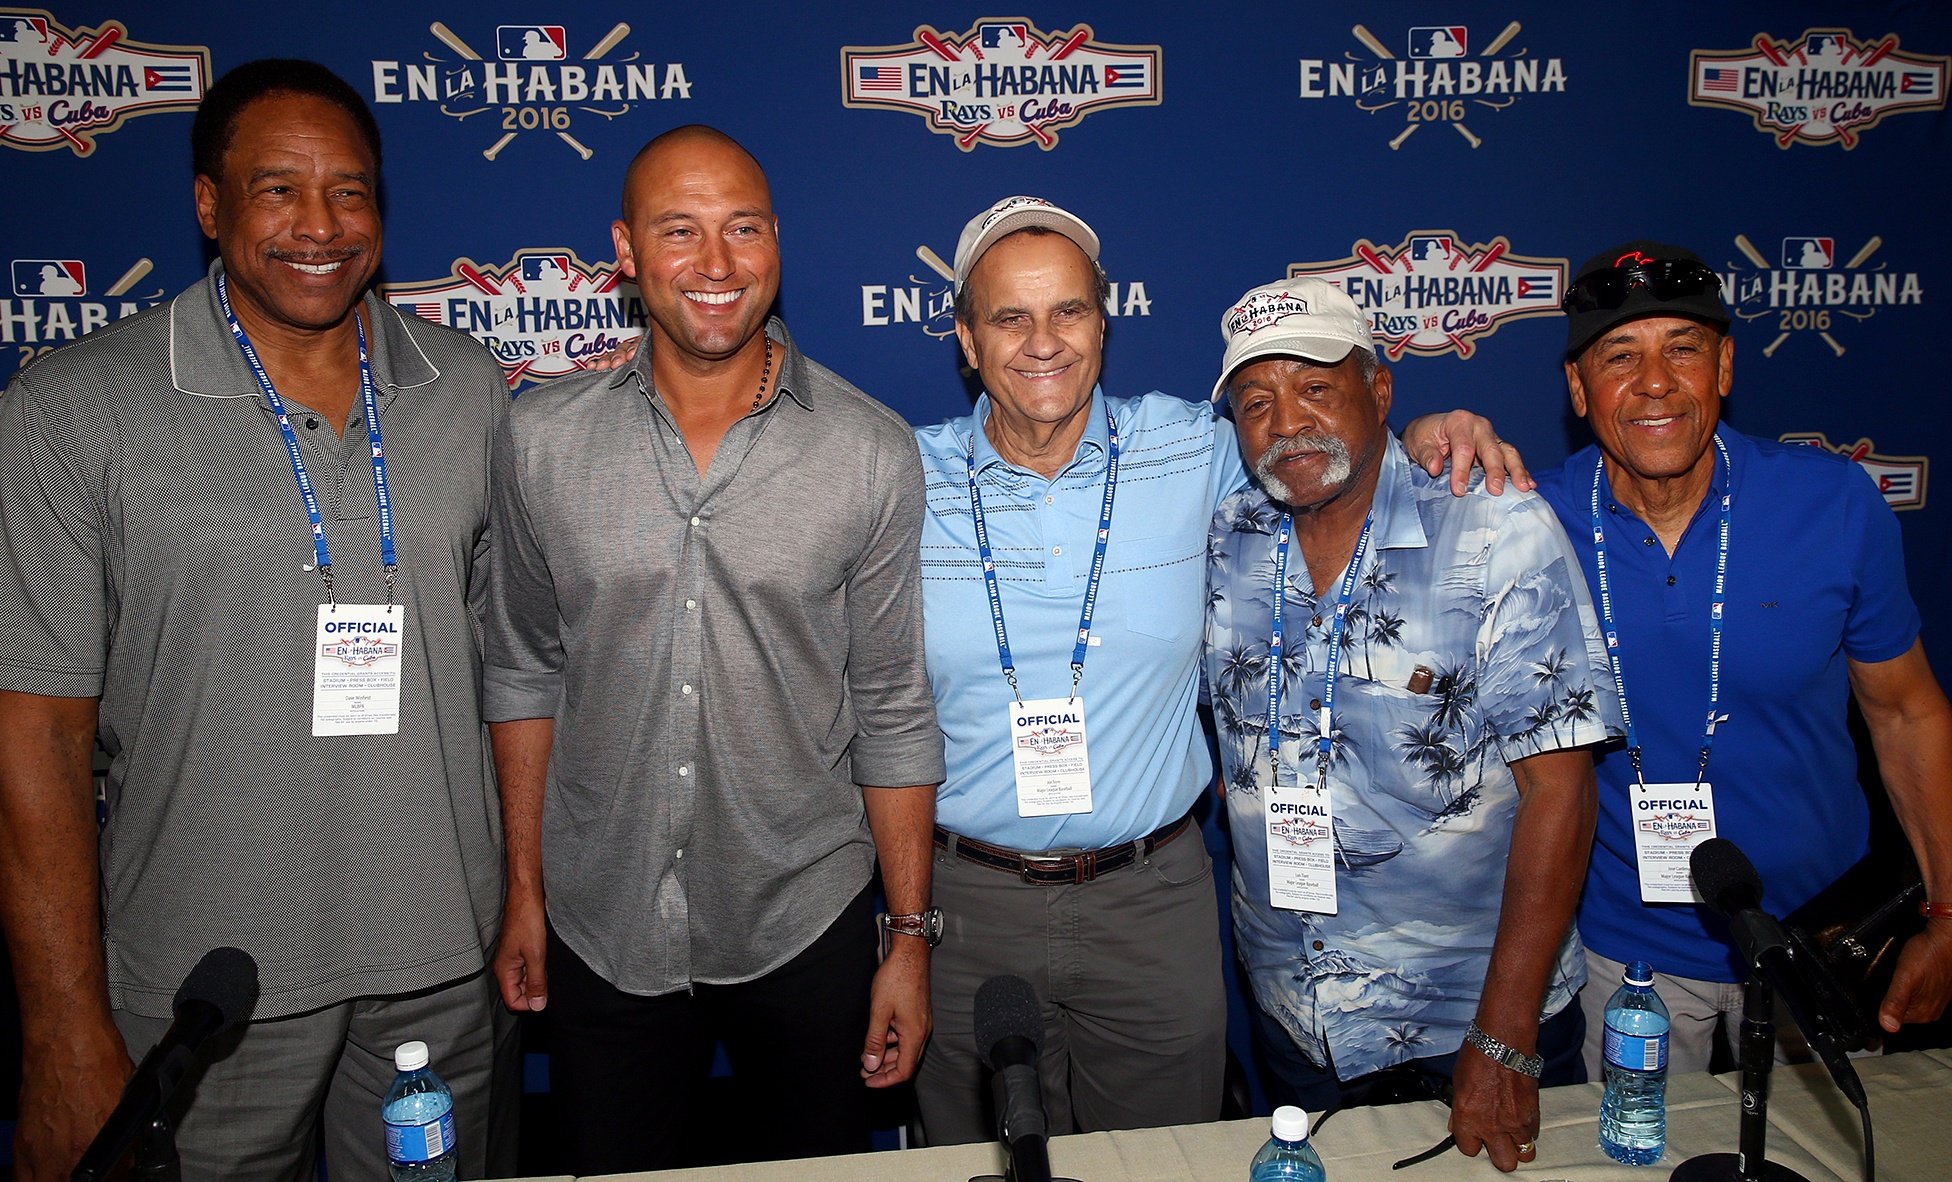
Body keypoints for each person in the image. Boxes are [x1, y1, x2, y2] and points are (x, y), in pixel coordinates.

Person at [0, 60, 514, 1181]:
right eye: (276, 190)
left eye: (351, 191)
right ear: (206, 204)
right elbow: (34, 738)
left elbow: (511, 678)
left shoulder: (469, 388)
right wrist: (60, 1031)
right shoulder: (72, 406)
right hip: (203, 992)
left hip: (437, 969)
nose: (319, 226)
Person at [480, 125, 944, 1173]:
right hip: (602, 921)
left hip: (805, 917)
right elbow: (520, 665)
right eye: (679, 231)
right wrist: (522, 889)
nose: (717, 263)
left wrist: (907, 940)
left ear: (776, 239)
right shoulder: (539, 440)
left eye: (742, 229)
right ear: (626, 251)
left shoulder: (867, 451)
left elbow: (891, 707)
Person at [1204, 277, 1621, 1174]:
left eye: (1316, 388)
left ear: (1380, 391)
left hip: (1468, 1016)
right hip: (1294, 1010)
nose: (1286, 424)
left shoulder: (1494, 530)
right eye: (1256, 402)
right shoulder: (1228, 532)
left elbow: (1562, 790)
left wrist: (1504, 1038)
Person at [1536, 241, 1952, 1072]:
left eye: (1682, 350)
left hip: (1827, 932)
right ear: (1579, 391)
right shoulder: (1528, 525)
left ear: (1725, 367)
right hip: (1629, 951)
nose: (1655, 381)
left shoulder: (1833, 502)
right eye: (1621, 356)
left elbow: (1907, 713)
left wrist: (1947, 914)